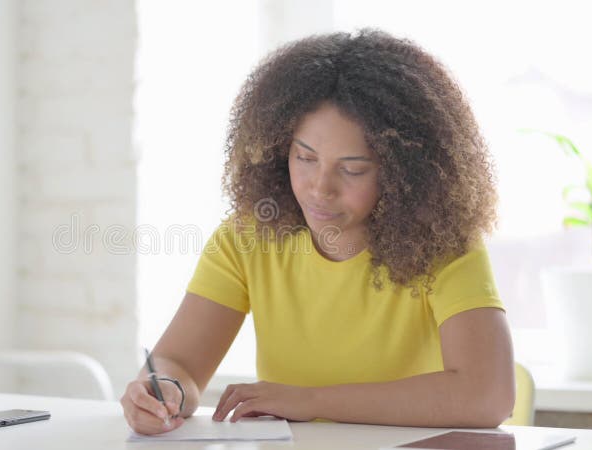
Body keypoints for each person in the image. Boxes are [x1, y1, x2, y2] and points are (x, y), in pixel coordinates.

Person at [120, 28, 515, 435]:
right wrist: (164, 389)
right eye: (305, 158)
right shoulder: (248, 237)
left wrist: (309, 401)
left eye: (352, 169)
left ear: (403, 173)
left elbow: (487, 396)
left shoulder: (443, 246)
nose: (320, 188)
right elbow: (180, 364)